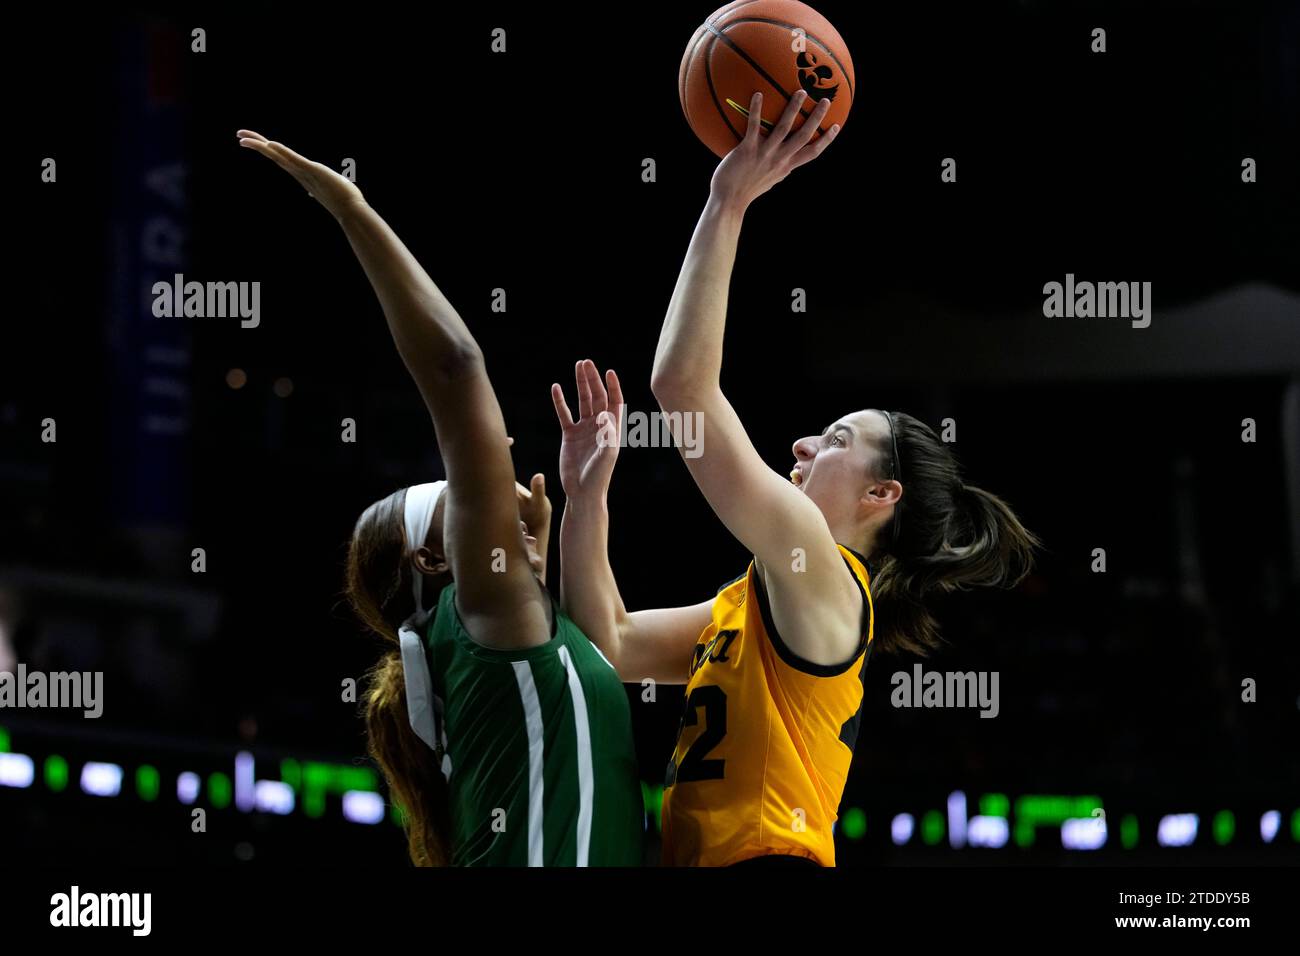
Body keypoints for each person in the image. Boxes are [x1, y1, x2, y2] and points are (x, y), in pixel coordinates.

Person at [552, 91, 1038, 866]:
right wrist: (587, 498)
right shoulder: (757, 601)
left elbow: (682, 388)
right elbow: (609, 641)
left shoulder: (828, 578)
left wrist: (728, 199)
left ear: (884, 495)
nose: (805, 442)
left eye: (839, 437)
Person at [238, 130, 643, 866]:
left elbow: (592, 637)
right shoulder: (478, 615)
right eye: (456, 492)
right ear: (436, 555)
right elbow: (456, 368)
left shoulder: (516, 636)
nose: (489, 480)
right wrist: (350, 208)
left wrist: (581, 508)